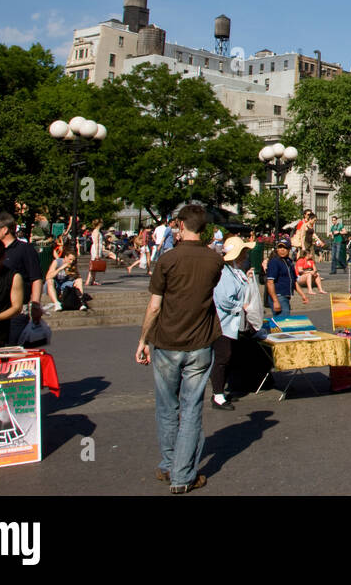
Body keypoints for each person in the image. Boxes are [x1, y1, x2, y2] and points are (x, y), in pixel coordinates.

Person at [136, 203, 223, 493]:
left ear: (182, 225)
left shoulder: (167, 260)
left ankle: (171, 467)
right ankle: (182, 472)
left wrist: (143, 340)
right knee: (191, 407)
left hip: (166, 340)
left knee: (167, 406)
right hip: (200, 342)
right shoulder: (215, 261)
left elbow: (154, 306)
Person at [0, 211, 43, 345]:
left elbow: (36, 278)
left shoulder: (24, 249)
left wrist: (35, 304)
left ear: (5, 230)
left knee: (12, 350)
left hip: (15, 313)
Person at [210, 240, 250, 411]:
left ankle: (222, 391)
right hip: (223, 323)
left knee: (227, 356)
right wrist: (240, 307)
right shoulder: (224, 273)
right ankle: (217, 394)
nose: (246, 256)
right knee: (222, 357)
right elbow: (224, 299)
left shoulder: (235, 272)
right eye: (243, 252)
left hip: (232, 323)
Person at [265, 241, 297, 315]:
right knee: (283, 321)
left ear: (289, 249)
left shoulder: (289, 262)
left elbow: (294, 280)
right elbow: (270, 282)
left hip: (286, 296)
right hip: (278, 295)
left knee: (282, 322)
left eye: (285, 248)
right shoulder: (274, 262)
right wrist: (275, 301)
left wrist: (303, 295)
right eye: (280, 247)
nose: (282, 250)